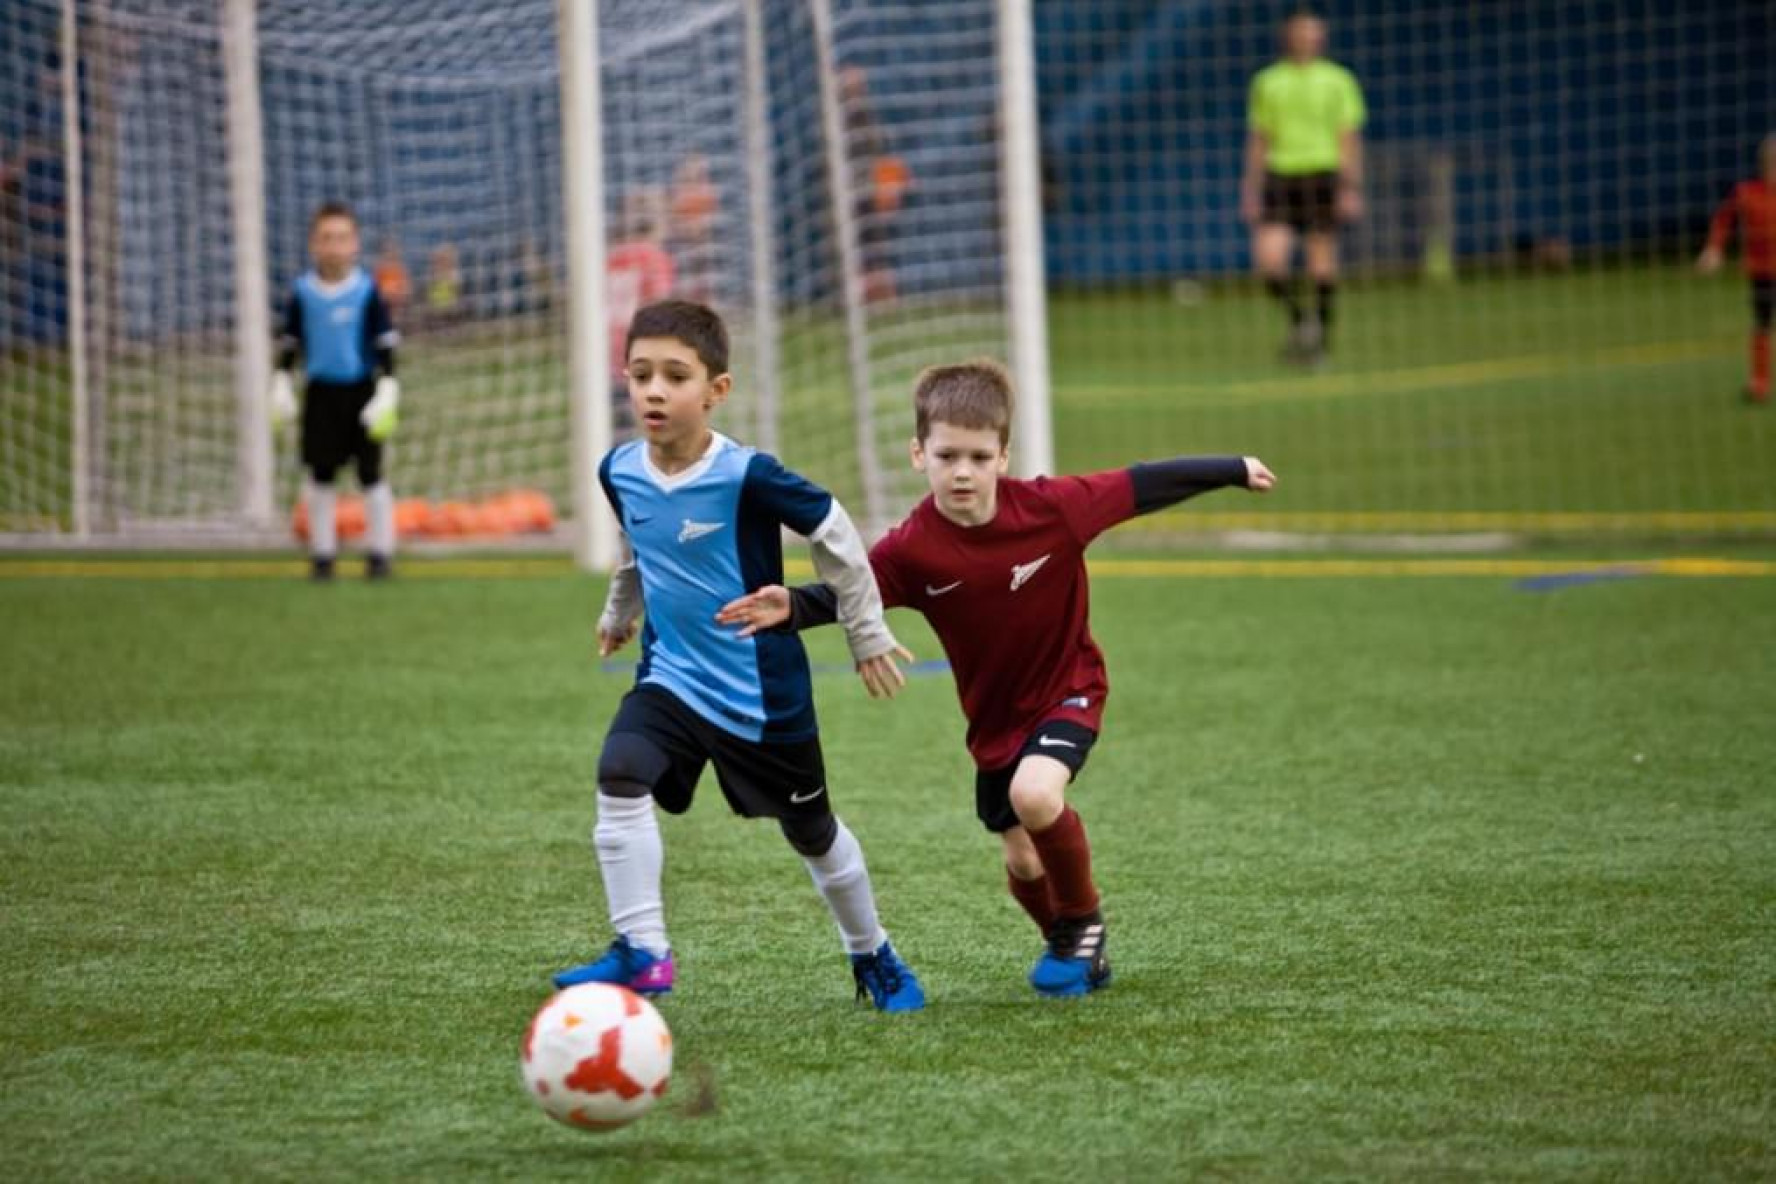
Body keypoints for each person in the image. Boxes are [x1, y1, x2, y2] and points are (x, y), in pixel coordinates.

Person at [716, 361, 1276, 998]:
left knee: (1037, 796)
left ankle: (1083, 928)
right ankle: (1072, 945)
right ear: (918, 453)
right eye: (947, 454)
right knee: (1022, 858)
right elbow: (853, 593)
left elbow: (1141, 484)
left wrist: (1230, 467)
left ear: (1003, 456)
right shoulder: (912, 549)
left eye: (979, 456)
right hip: (994, 722)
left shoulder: (1053, 509)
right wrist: (791, 606)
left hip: (1071, 687)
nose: (962, 471)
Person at [553, 299, 926, 1013]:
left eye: (675, 376)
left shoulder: (747, 475)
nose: (654, 391)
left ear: (716, 391)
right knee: (620, 771)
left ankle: (872, 952)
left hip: (761, 694)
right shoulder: (619, 469)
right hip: (672, 678)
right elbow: (640, 548)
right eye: (640, 375)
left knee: (812, 834)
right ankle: (643, 952)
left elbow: (836, 530)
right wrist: (619, 614)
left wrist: (865, 629)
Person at [269, 202, 401, 581]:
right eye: (327, 238)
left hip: (361, 393)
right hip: (320, 394)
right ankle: (323, 554)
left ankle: (380, 553)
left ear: (355, 243)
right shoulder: (303, 293)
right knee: (320, 474)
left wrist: (388, 387)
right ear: (314, 244)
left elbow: (385, 344)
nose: (335, 246)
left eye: (342, 237)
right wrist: (281, 379)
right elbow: (291, 342)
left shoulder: (366, 291)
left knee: (371, 474)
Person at [1240, 6, 1366, 366]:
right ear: (1288, 35)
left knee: (1320, 263)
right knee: (1269, 260)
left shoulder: (1338, 79)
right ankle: (1301, 321)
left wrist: (1350, 186)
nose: (1307, 38)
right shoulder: (1268, 81)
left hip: (1323, 174)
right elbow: (1259, 138)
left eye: (1313, 32)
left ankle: (1320, 344)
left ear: (1321, 37)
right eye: (1301, 31)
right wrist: (1251, 187)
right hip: (1281, 176)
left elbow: (1349, 137)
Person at [1697, 134, 1776, 404]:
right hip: (1763, 272)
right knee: (1762, 324)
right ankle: (1760, 382)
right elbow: (1723, 220)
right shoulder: (1747, 192)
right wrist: (1714, 249)